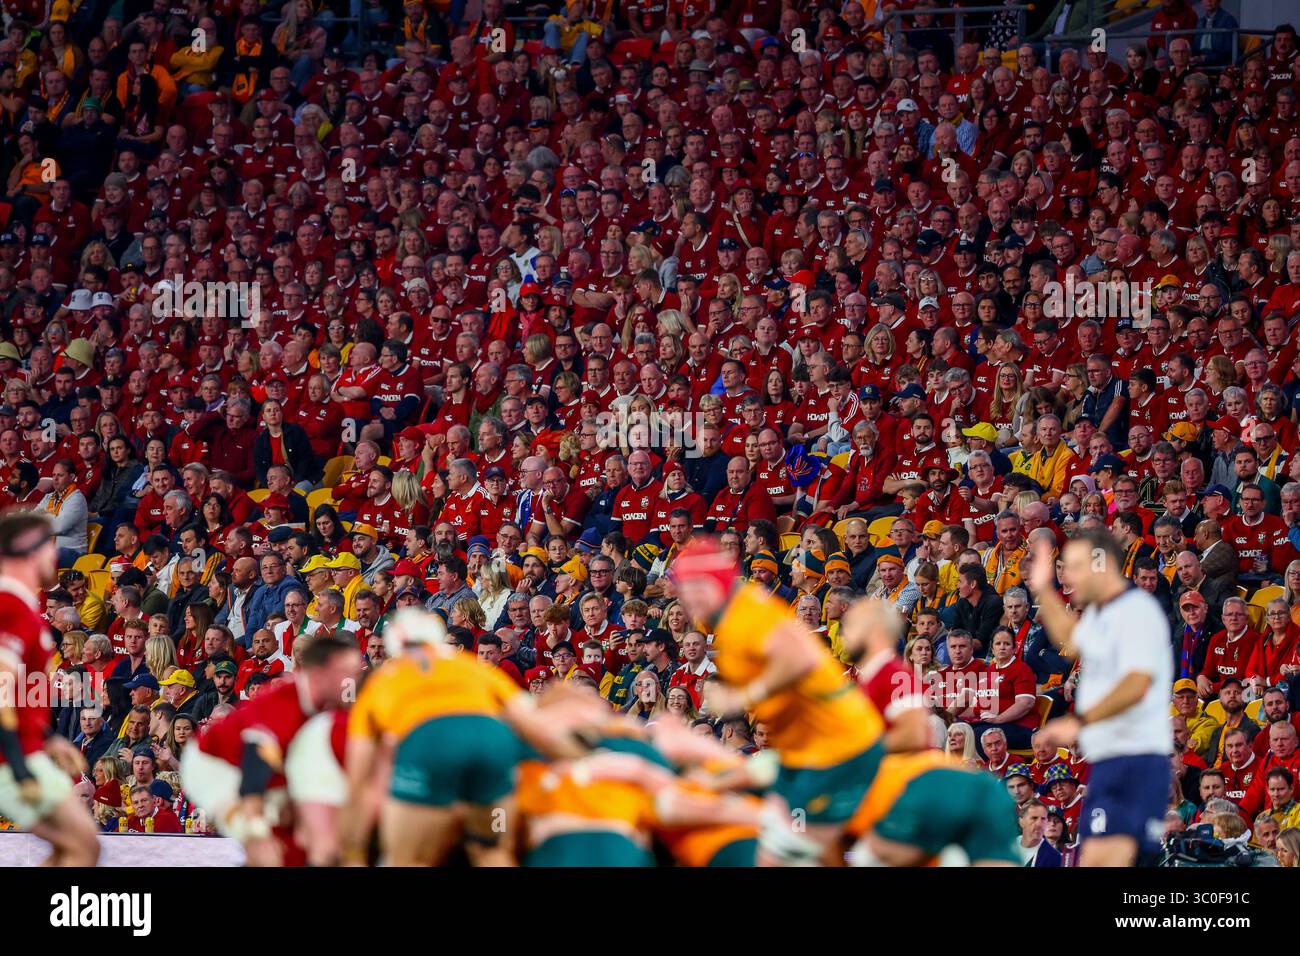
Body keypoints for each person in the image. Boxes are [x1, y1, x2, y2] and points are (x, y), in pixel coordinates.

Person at [671, 538, 885, 866]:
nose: (684, 599)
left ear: (711, 585)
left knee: (783, 852)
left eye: (689, 588)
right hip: (810, 749)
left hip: (836, 744)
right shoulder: (734, 622)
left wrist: (743, 696)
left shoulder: (748, 614)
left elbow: (796, 659)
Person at [1026, 527, 1174, 866]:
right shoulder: (1101, 612)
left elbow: (1137, 683)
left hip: (1134, 759)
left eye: (1075, 566)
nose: (1068, 575)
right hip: (1111, 759)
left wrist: (1078, 721)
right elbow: (1071, 640)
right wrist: (1043, 588)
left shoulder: (1137, 610)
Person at [0, 512, 100, 865]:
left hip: (24, 751)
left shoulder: (23, 607)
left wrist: (47, 738)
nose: (55, 557)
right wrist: (21, 765)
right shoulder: (9, 606)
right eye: (48, 547)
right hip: (12, 759)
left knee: (77, 846)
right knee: (82, 845)